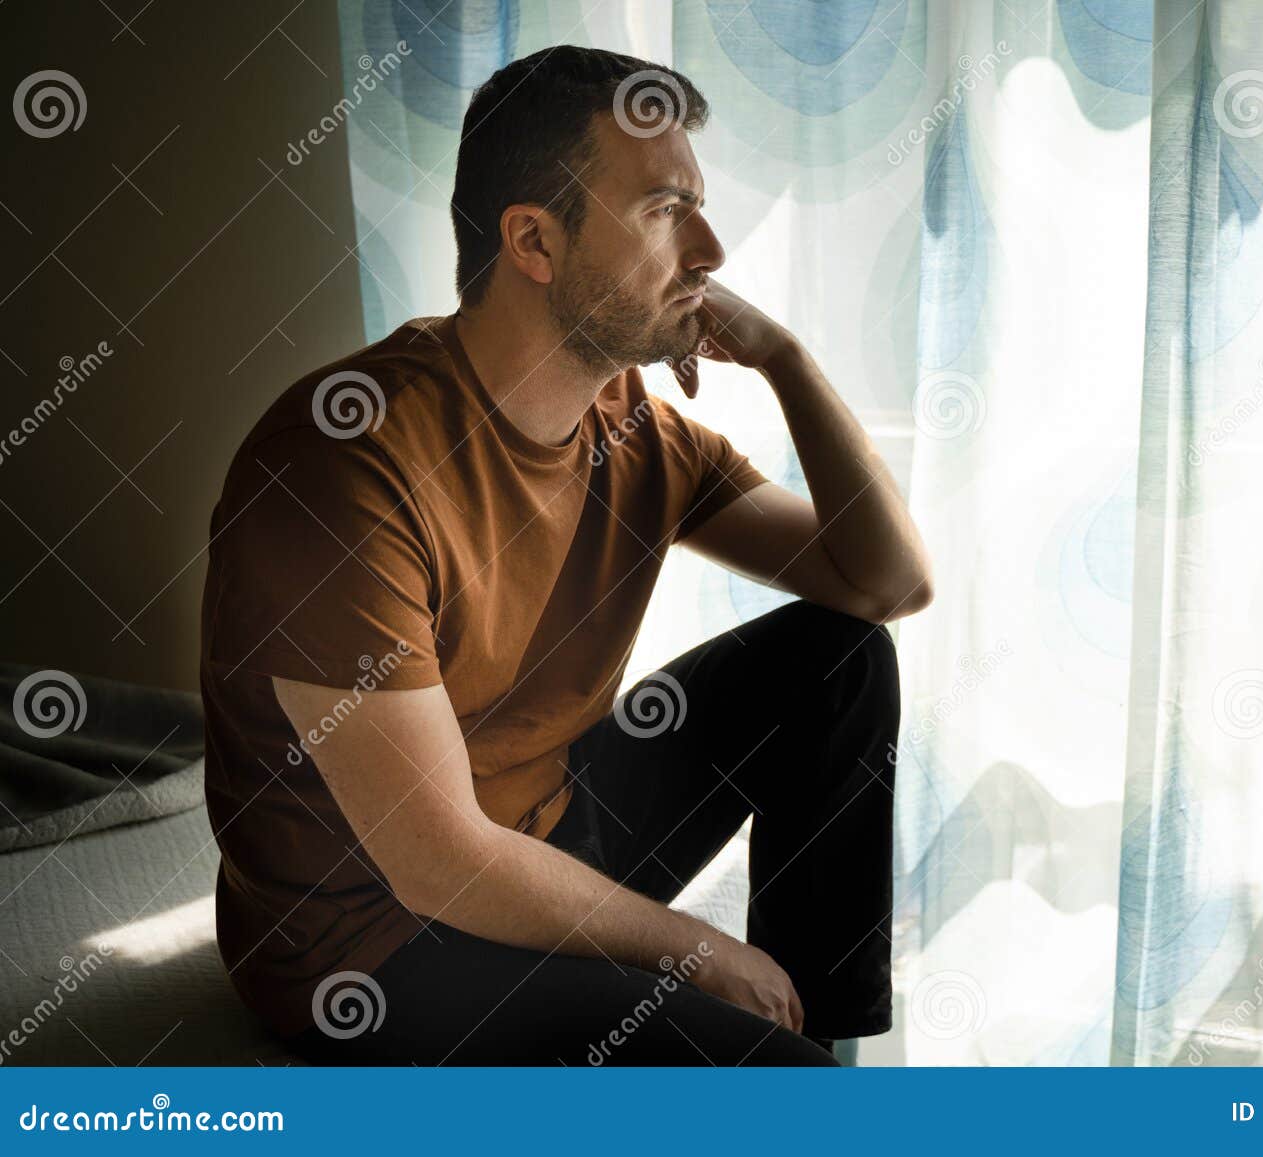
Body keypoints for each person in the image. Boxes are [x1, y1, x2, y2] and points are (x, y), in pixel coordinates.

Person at [199, 44, 932, 1067]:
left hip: (545, 829)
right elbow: (439, 861)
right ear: (535, 242)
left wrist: (785, 361)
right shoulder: (340, 466)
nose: (710, 246)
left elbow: (889, 583)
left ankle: (827, 1029)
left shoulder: (631, 429)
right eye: (664, 210)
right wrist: (698, 949)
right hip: (376, 941)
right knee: (780, 1087)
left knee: (839, 654)